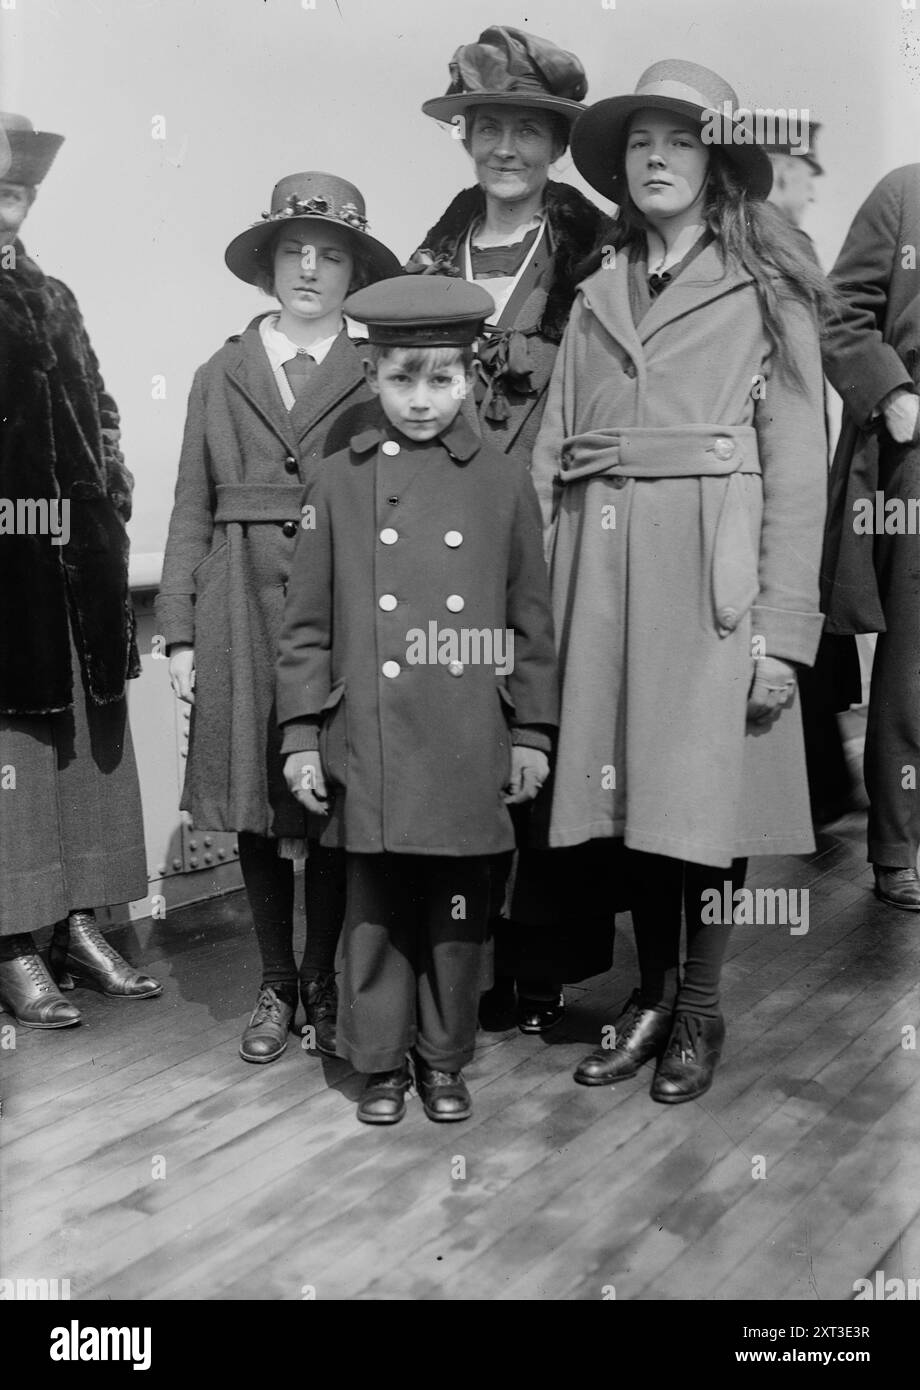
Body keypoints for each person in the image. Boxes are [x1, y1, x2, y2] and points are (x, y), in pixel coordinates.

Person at [530, 60, 831, 1102]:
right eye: (639, 143)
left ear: (716, 166)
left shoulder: (768, 291)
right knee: (629, 803)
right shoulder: (593, 294)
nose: (655, 157)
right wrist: (536, 608)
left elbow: (797, 464)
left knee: (704, 802)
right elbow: (550, 452)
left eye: (680, 140)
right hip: (598, 581)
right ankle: (649, 991)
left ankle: (695, 1005)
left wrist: (782, 631)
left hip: (715, 580)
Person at [276, 275, 559, 1125]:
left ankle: (442, 1059)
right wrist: (298, 735)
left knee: (457, 913)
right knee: (374, 909)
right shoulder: (335, 483)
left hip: (470, 735)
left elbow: (530, 625)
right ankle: (381, 1063)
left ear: (470, 375)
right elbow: (305, 628)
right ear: (371, 376)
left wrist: (532, 734)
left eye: (442, 378)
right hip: (369, 734)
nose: (422, 399)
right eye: (403, 378)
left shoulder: (504, 483)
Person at [157, 172, 400, 1062]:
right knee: (254, 798)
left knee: (327, 788)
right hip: (234, 604)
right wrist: (180, 632)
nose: (310, 268)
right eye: (294, 251)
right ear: (268, 265)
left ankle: (327, 981)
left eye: (331, 255)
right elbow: (190, 502)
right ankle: (277, 983)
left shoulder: (376, 369)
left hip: (336, 601)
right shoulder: (219, 371)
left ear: (353, 271)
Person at [408, 23, 615, 1035]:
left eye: (526, 129)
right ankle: (459, 968)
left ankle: (544, 968)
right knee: (459, 738)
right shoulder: (429, 255)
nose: (505, 147)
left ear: (554, 145)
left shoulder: (597, 255)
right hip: (447, 531)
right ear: (465, 137)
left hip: (556, 526)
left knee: (545, 733)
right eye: (487, 125)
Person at [0, 111, 160, 1027]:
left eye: (18, 186)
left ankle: (76, 925)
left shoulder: (55, 297)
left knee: (86, 747)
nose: (6, 200)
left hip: (77, 567)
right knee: (13, 753)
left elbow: (100, 415)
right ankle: (14, 943)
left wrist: (109, 497)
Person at [820, 164, 920, 909]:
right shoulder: (905, 194)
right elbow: (837, 306)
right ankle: (898, 848)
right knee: (917, 659)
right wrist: (889, 390)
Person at [760, 115, 863, 824]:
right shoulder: (777, 240)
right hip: (781, 476)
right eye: (802, 174)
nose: (810, 190)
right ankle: (816, 788)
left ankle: (820, 783)